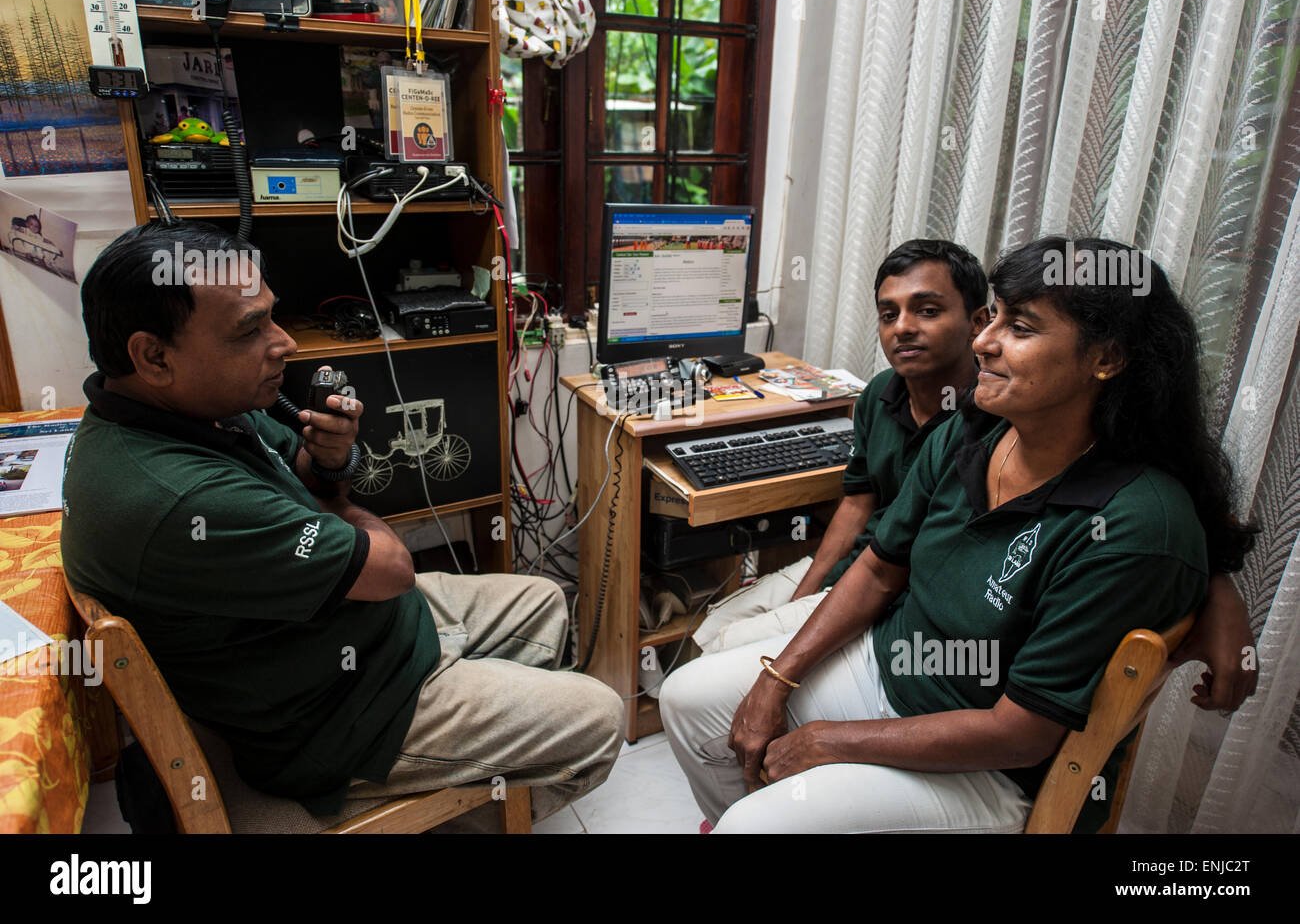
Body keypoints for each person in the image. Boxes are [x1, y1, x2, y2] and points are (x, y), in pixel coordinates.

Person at [660, 236, 1257, 833]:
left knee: (764, 823)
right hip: (889, 666)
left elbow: (1017, 735)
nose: (983, 342)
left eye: (1019, 327)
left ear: (1107, 358)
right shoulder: (973, 431)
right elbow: (877, 568)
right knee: (685, 701)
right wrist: (776, 679)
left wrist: (828, 741)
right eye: (993, 315)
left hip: (990, 768)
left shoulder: (1132, 527)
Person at [61, 221, 624, 825]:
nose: (285, 344)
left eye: (272, 316)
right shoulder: (178, 496)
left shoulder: (190, 409)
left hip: (348, 640)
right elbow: (392, 569)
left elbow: (305, 473)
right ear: (153, 356)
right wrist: (347, 511)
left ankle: (470, 740)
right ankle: (450, 809)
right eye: (250, 330)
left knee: (545, 601)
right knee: (601, 718)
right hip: (337, 719)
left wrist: (331, 467)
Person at [692, 239, 988, 654]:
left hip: (899, 592)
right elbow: (857, 504)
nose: (902, 326)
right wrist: (807, 594)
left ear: (978, 322)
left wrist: (813, 615)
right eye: (889, 314)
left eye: (927, 310)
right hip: (854, 562)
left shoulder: (988, 418)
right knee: (711, 628)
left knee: (726, 647)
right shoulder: (881, 394)